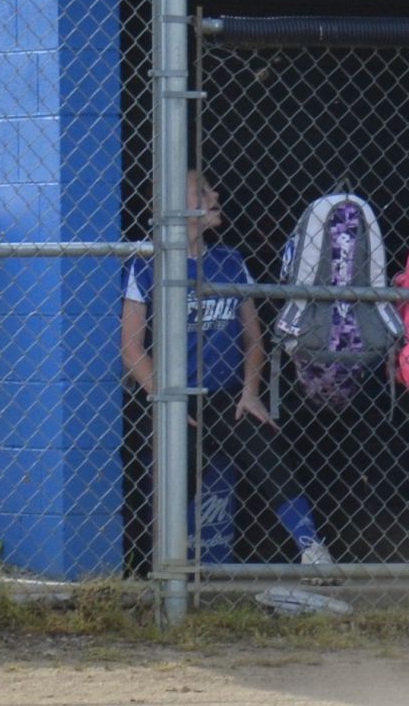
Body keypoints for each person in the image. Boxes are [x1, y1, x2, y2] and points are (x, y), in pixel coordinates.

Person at [119, 168, 331, 568]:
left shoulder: (229, 261)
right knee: (168, 475)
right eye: (201, 191)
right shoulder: (145, 264)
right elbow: (132, 349)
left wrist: (251, 391)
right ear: (173, 208)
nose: (214, 194)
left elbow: (254, 339)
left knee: (266, 452)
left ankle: (312, 549)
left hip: (227, 397)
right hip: (172, 399)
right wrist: (168, 401)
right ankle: (157, 569)